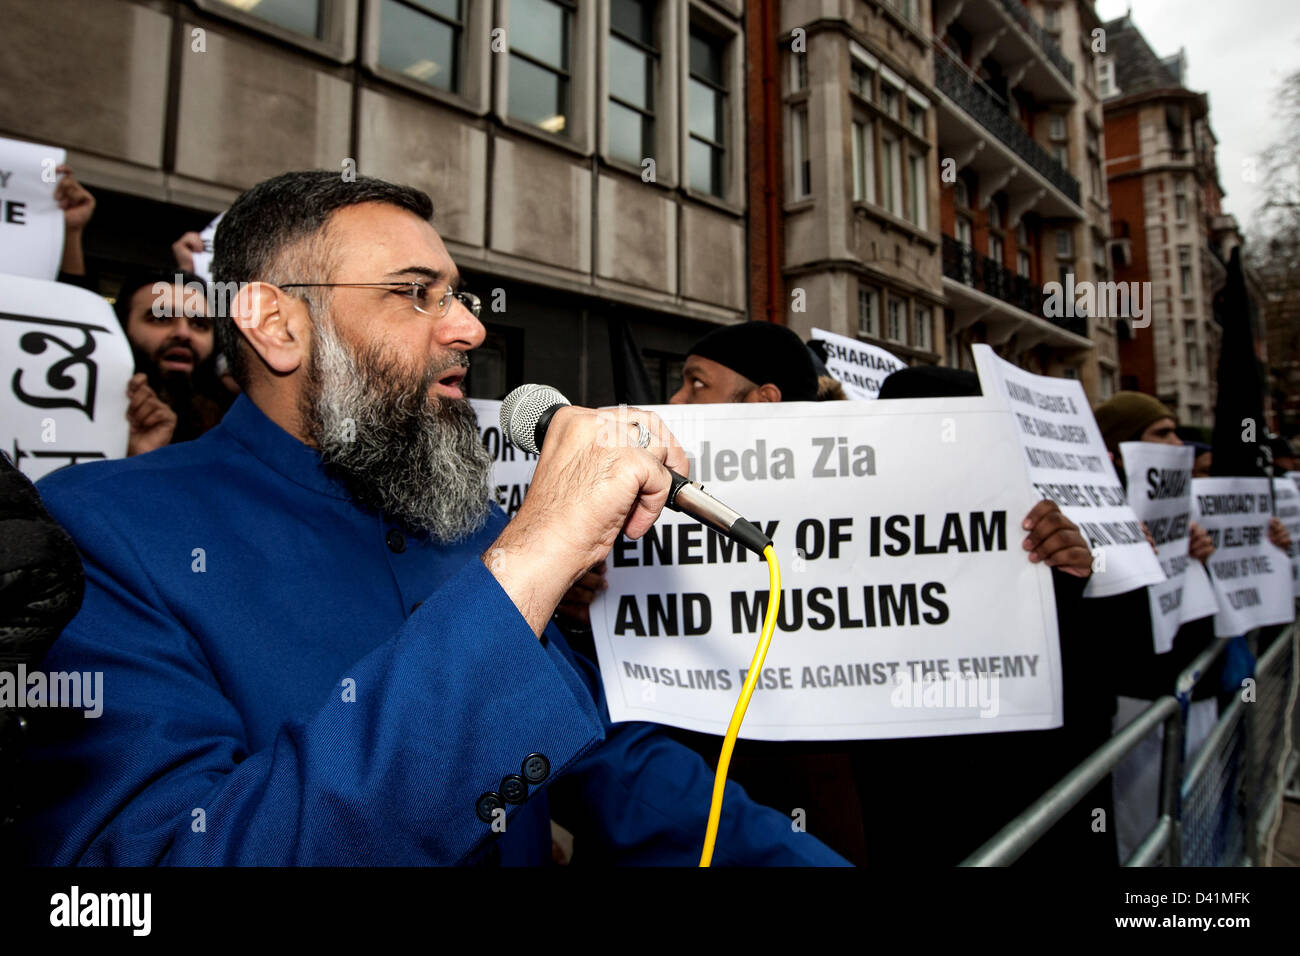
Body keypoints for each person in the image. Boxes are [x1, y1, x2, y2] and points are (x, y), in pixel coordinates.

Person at [19, 170, 846, 866]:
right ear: (275, 323)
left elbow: (608, 765)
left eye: (455, 295)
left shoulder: (467, 524)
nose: (470, 328)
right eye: (415, 295)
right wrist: (530, 561)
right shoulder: (99, 536)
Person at [113, 270, 228, 455]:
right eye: (161, 319)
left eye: (199, 324)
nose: (183, 333)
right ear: (121, 327)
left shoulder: (237, 426)